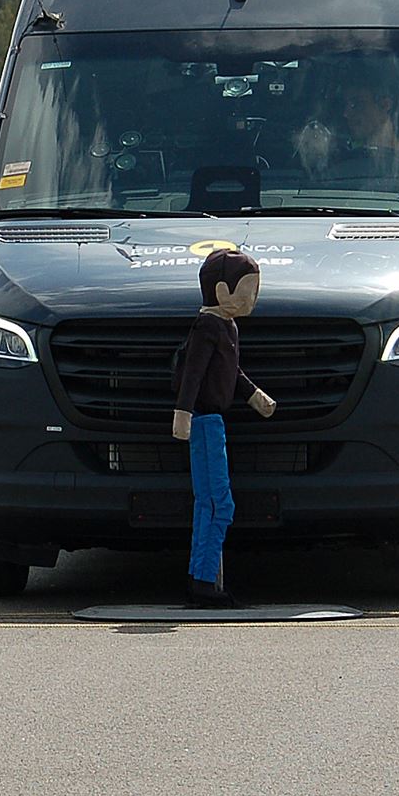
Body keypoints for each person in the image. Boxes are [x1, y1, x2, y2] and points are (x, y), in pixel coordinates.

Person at [171, 247, 277, 608]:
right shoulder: (208, 327)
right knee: (220, 504)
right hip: (204, 422)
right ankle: (204, 581)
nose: (253, 299)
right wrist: (182, 412)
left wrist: (254, 396)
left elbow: (230, 373)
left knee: (208, 503)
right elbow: (194, 373)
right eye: (248, 291)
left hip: (213, 422)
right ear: (221, 292)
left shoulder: (226, 326)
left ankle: (199, 577)